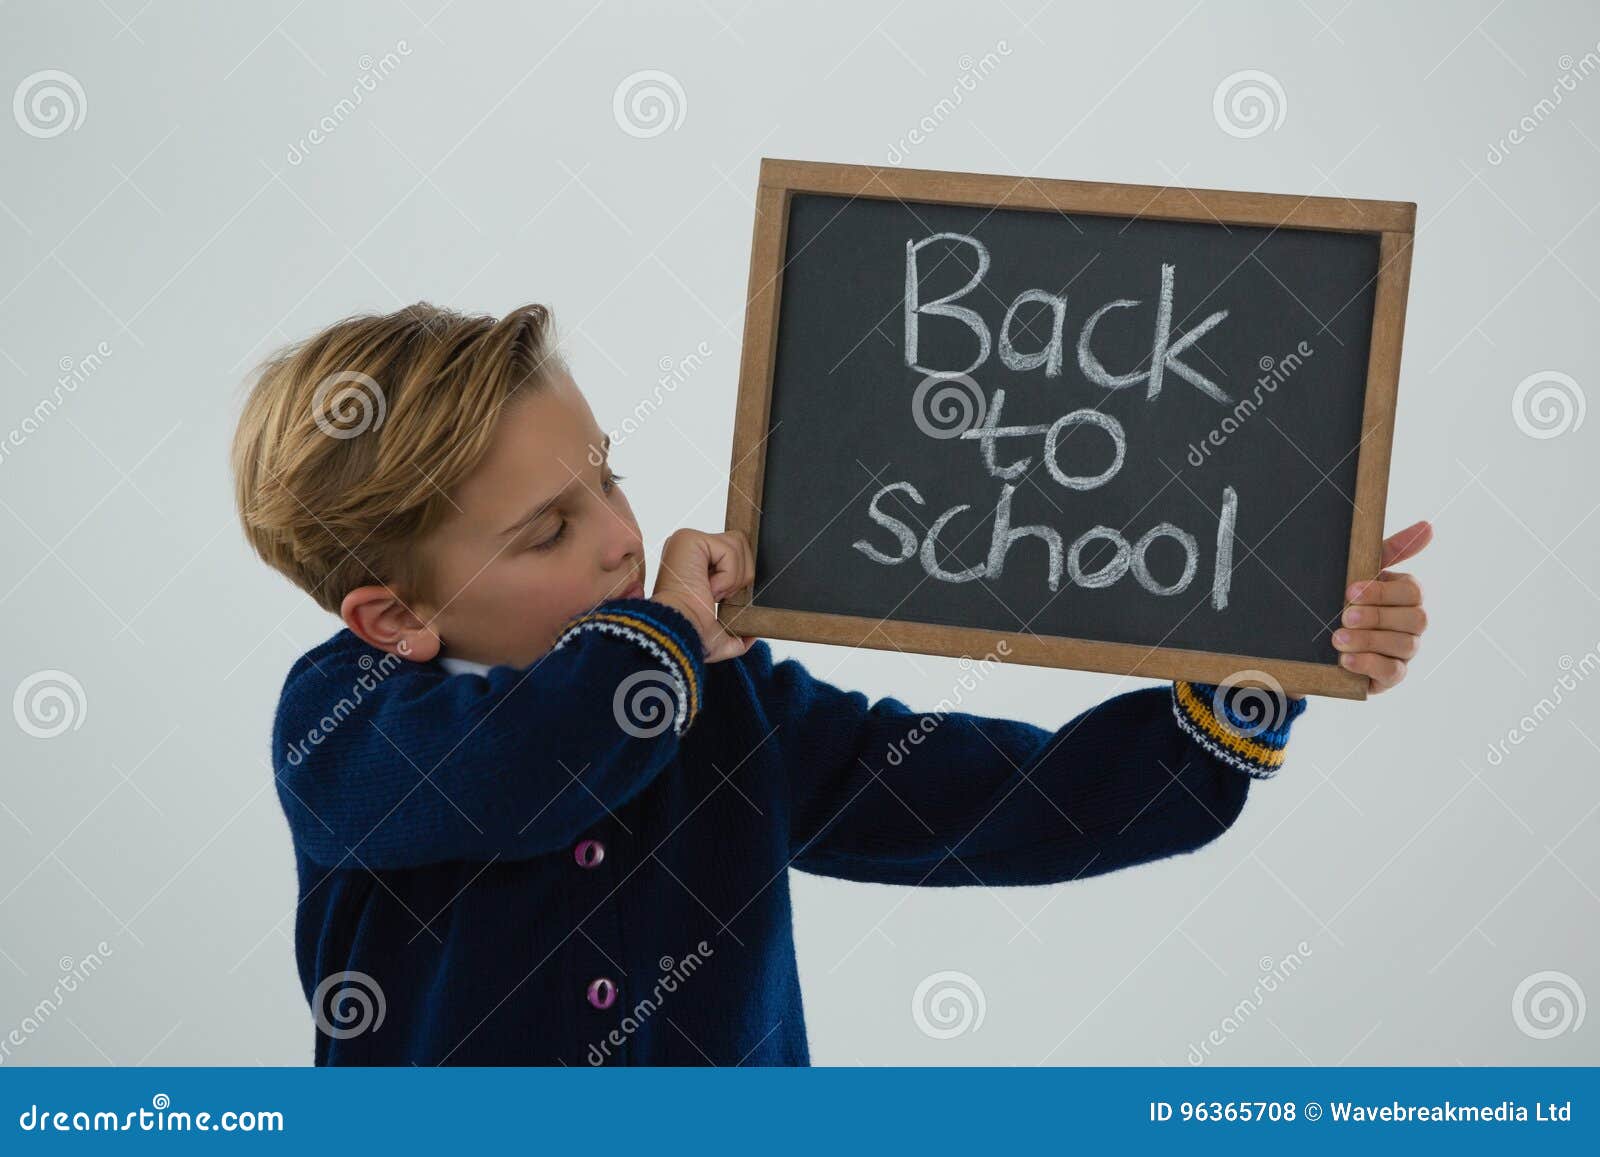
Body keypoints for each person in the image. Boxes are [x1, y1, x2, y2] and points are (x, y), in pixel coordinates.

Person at [230, 302, 1431, 1065]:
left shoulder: (721, 701)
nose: (616, 536)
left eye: (609, 479)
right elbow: (525, 771)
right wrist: (664, 638)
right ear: (397, 618)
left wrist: (1250, 671)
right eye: (548, 529)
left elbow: (994, 803)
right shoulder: (344, 724)